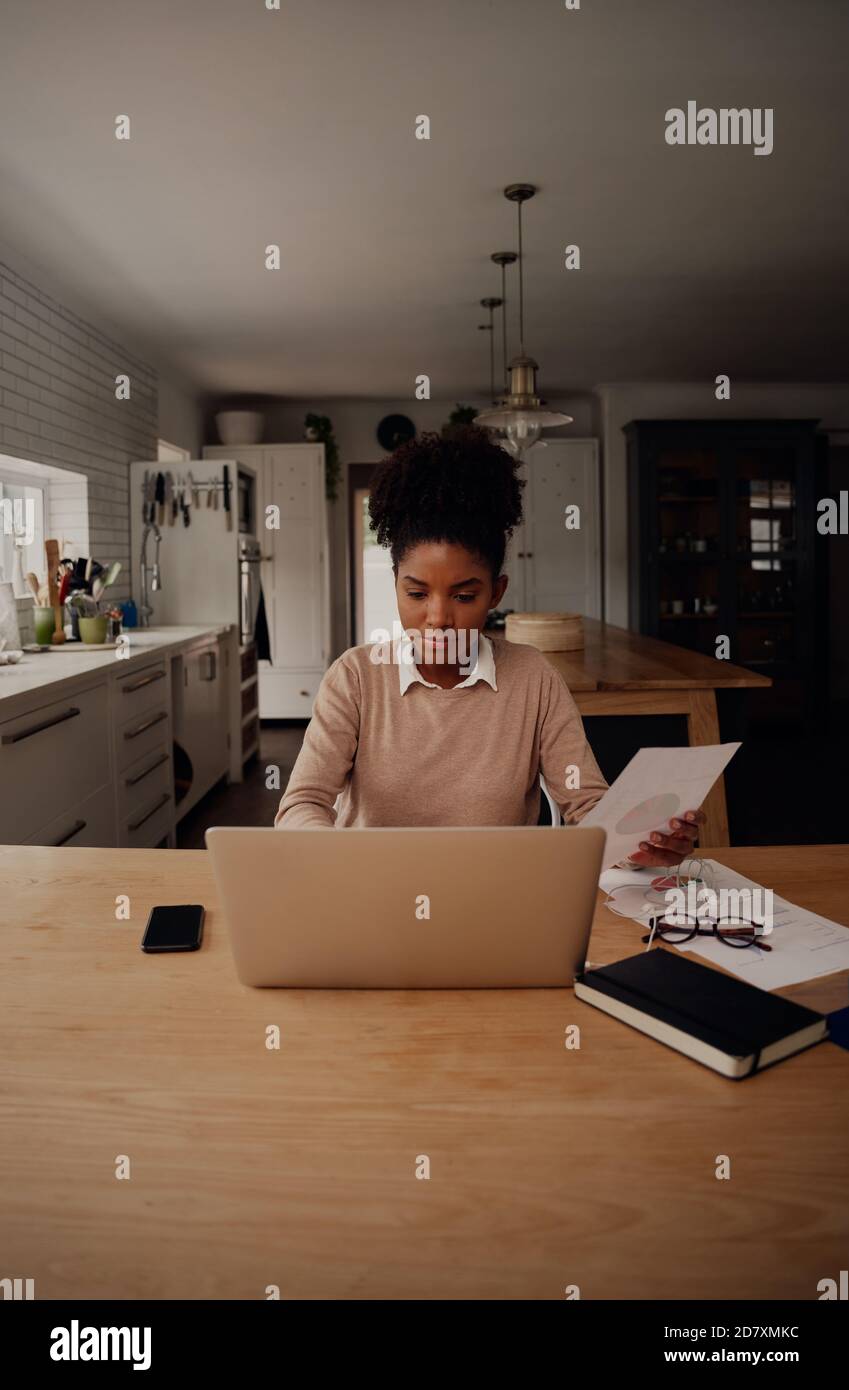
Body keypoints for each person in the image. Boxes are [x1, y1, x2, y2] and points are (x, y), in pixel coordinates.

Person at [274, 426, 703, 867]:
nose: (438, 617)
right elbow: (301, 803)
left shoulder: (533, 678)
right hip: (372, 889)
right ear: (396, 586)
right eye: (417, 594)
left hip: (498, 895)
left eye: (464, 596)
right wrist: (326, 850)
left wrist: (641, 843)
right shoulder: (356, 677)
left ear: (496, 593)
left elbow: (586, 804)